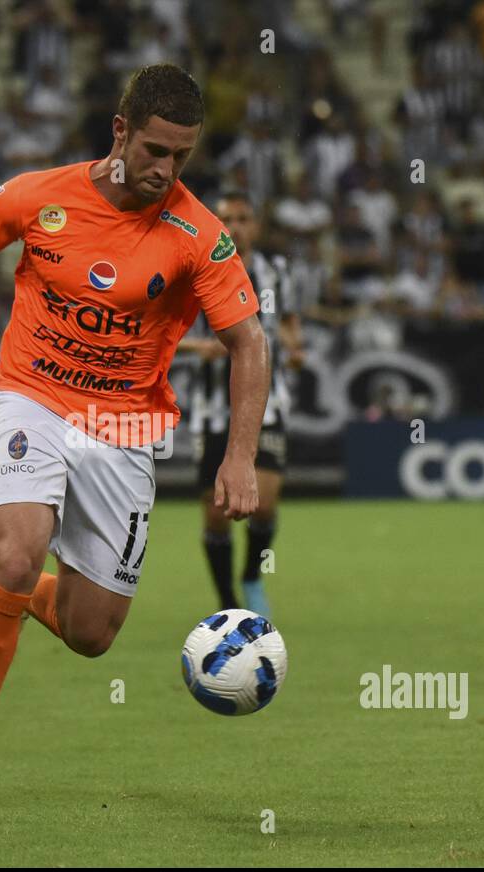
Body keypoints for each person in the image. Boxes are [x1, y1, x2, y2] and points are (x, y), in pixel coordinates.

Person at [0, 64, 270, 815]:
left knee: (90, 632)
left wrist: (239, 456)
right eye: (156, 150)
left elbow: (249, 343)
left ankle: (20, 595)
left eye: (182, 157)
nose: (166, 170)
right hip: (31, 397)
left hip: (125, 426)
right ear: (121, 132)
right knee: (13, 546)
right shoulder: (40, 196)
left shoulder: (201, 234)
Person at [177, 192, 304, 616]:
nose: (235, 224)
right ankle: (227, 603)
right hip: (212, 407)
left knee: (264, 503)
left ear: (256, 225)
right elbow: (164, 337)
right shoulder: (192, 267)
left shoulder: (277, 273)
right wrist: (202, 348)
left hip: (267, 402)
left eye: (244, 217)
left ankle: (250, 576)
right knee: (217, 515)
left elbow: (287, 321)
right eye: (226, 217)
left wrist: (294, 345)